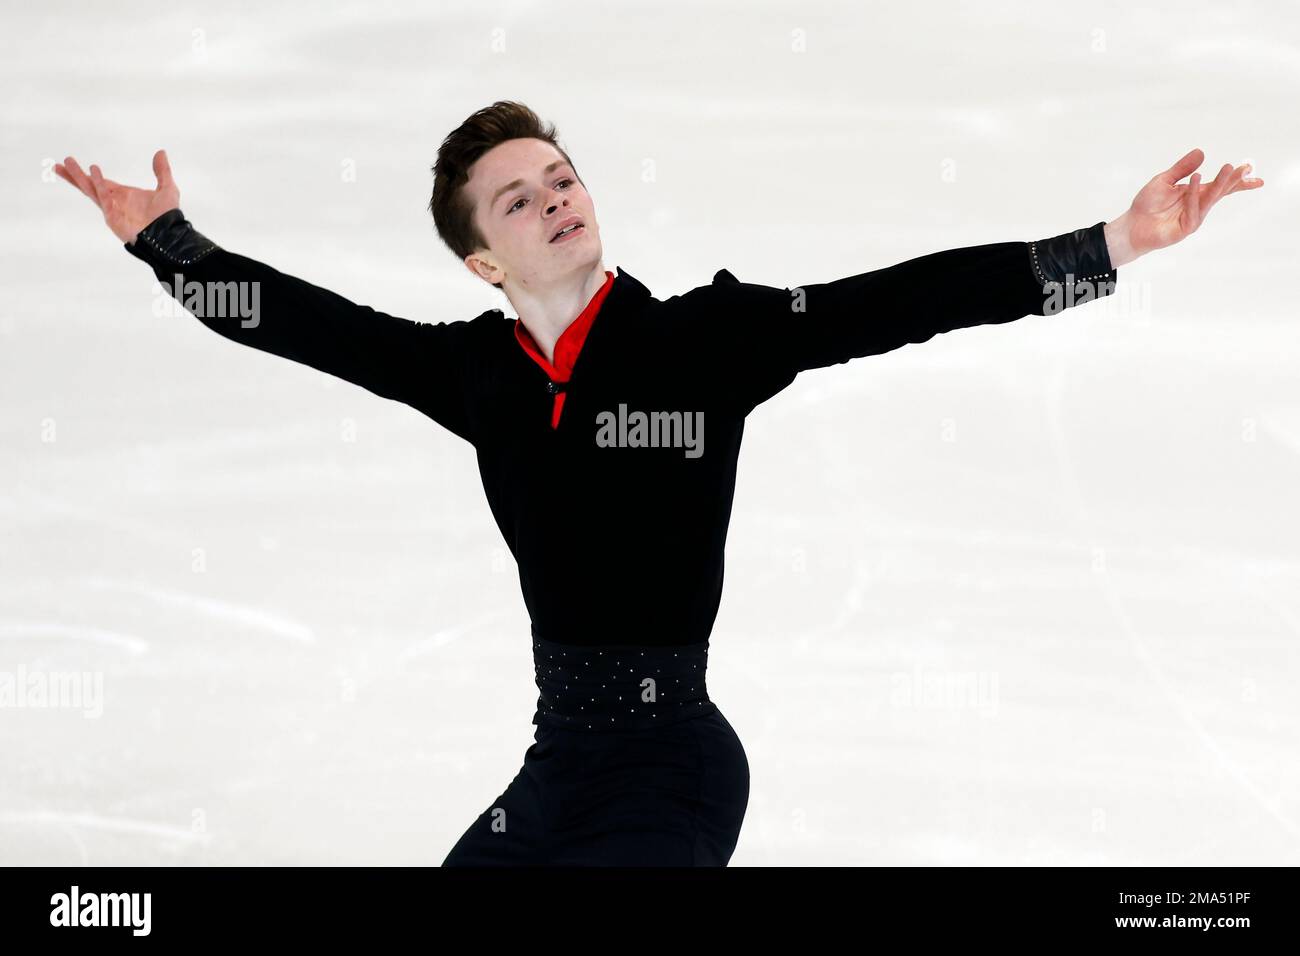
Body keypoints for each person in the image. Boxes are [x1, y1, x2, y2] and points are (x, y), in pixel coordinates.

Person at [55, 101, 1263, 866]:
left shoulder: (708, 338)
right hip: (556, 762)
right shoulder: (475, 370)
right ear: (484, 256)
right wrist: (166, 244)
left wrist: (1104, 246)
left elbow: (898, 302)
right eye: (519, 198)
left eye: (561, 176)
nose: (555, 199)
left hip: (672, 763)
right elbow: (307, 325)